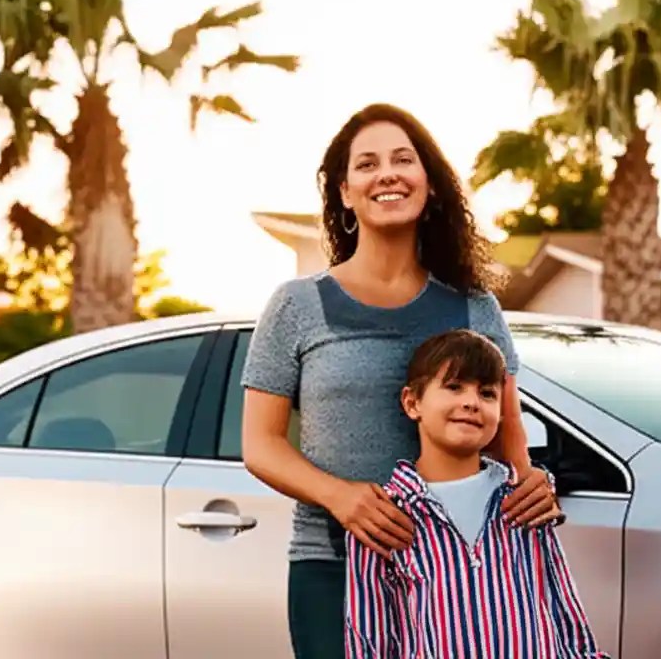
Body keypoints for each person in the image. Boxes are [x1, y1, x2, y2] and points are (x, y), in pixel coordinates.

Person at [240, 103, 563, 658]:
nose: (386, 173)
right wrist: (340, 497)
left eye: (403, 160)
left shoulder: (474, 307)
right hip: (333, 564)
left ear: (429, 186)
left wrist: (533, 483)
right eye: (366, 164)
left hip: (461, 573)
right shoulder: (296, 306)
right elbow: (260, 445)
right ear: (344, 193)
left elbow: (510, 435)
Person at [343, 329, 608, 659]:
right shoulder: (385, 513)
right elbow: (371, 641)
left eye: (487, 394)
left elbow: (568, 622)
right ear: (412, 403)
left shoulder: (524, 500)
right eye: (454, 387)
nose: (471, 402)